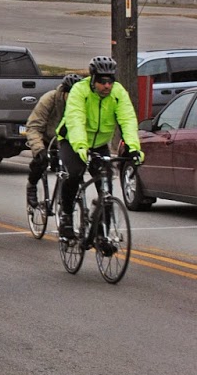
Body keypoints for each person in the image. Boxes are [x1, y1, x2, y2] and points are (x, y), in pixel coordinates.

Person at [55, 56, 143, 239]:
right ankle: (66, 216)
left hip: (100, 144)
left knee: (106, 187)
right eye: (102, 82)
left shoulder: (118, 93)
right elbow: (75, 119)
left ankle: (103, 234)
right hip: (72, 141)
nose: (107, 86)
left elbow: (127, 120)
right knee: (74, 173)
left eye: (110, 81)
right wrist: (81, 146)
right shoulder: (80, 91)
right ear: (93, 79)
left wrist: (133, 147)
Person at [25, 74, 81, 208]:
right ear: (64, 93)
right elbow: (33, 127)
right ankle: (31, 185)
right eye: (70, 95)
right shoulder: (49, 99)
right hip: (47, 138)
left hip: (68, 141)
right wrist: (39, 149)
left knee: (73, 169)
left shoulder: (82, 102)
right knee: (41, 161)